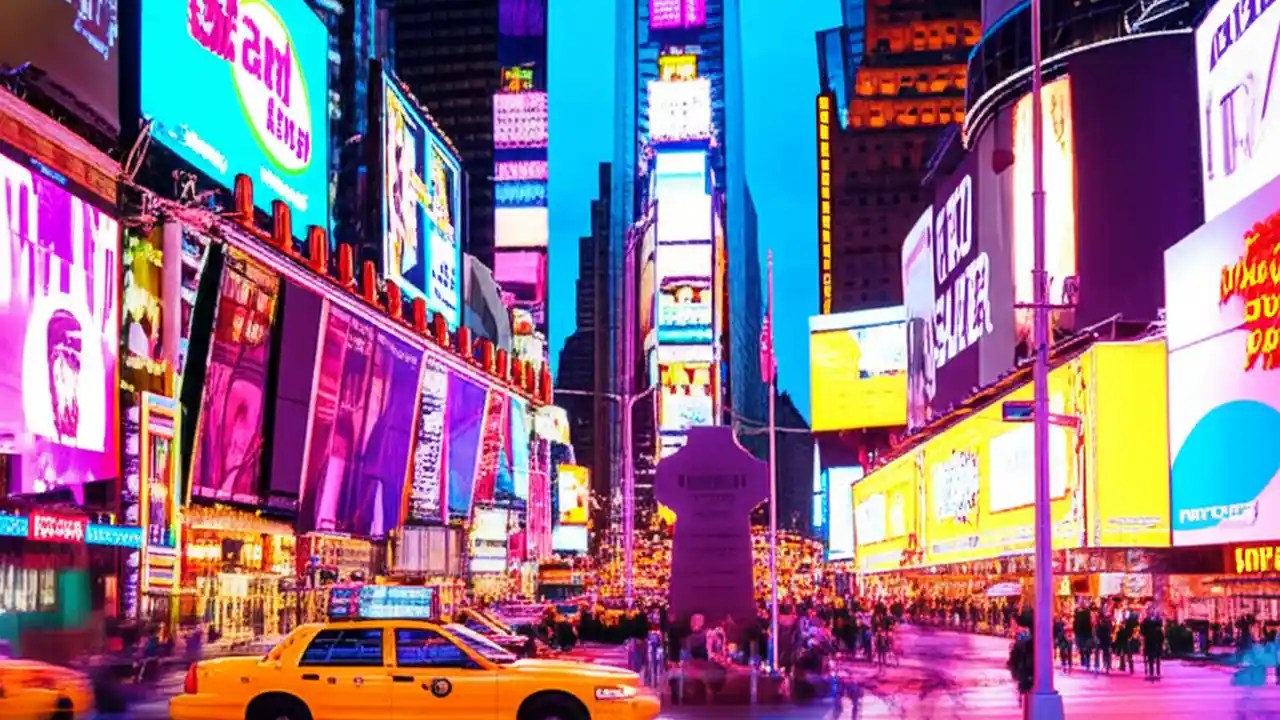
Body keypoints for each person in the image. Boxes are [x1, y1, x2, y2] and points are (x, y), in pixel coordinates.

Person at [1007, 611, 1034, 706]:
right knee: (1027, 683)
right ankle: (1024, 697)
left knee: (1023, 682)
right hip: (1029, 666)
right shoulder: (1032, 635)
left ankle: (1022, 697)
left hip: (1023, 666)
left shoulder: (1022, 637)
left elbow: (1015, 654)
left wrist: (1011, 665)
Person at [1141, 608, 1164, 680]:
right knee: (1156, 658)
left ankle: (1152, 671)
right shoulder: (1158, 624)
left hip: (1149, 642)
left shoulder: (1146, 622)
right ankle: (1157, 671)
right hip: (1155, 643)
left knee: (1151, 658)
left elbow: (1142, 632)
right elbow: (1161, 635)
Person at [1095, 608, 1114, 674]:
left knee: (1104, 653)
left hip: (1103, 639)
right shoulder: (1106, 622)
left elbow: (1098, 631)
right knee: (1106, 653)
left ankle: (1105, 666)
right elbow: (1110, 630)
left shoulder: (1102, 622)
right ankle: (1106, 666)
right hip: (1104, 639)